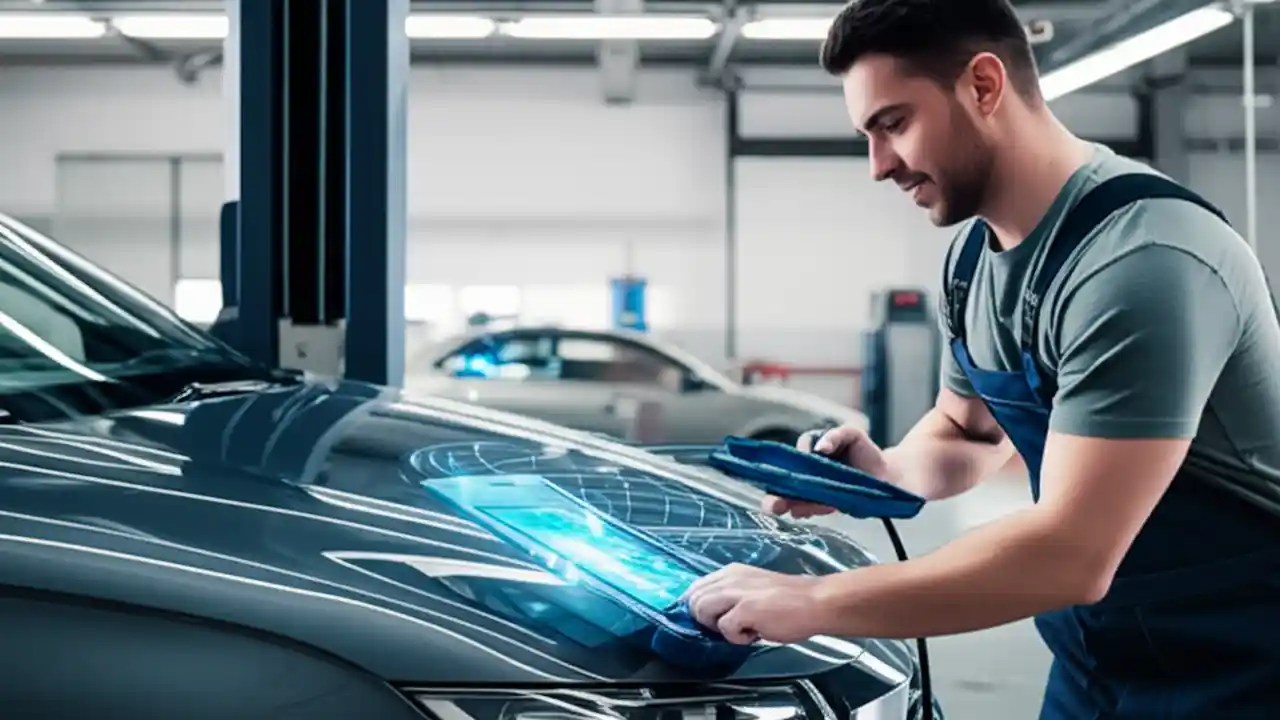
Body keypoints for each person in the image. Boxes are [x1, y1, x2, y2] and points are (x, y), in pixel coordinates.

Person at [681, 0, 1280, 716]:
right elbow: (968, 433)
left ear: (985, 86)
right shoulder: (973, 263)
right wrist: (888, 470)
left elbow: (1072, 553)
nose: (877, 167)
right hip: (1099, 662)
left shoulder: (1145, 261)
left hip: (1246, 664)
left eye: (893, 124)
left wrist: (816, 602)